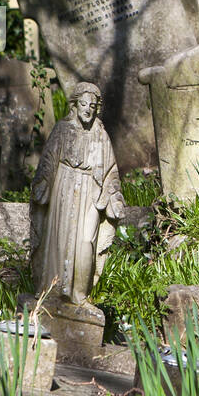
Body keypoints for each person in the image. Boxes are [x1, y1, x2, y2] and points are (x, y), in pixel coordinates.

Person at [30, 81, 125, 306]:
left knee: (85, 242)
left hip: (91, 191)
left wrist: (113, 195)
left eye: (92, 105)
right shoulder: (62, 129)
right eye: (83, 104)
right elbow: (49, 161)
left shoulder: (101, 135)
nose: (88, 109)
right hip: (64, 185)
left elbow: (111, 170)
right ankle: (52, 290)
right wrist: (43, 184)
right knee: (58, 239)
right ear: (75, 104)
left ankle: (80, 294)